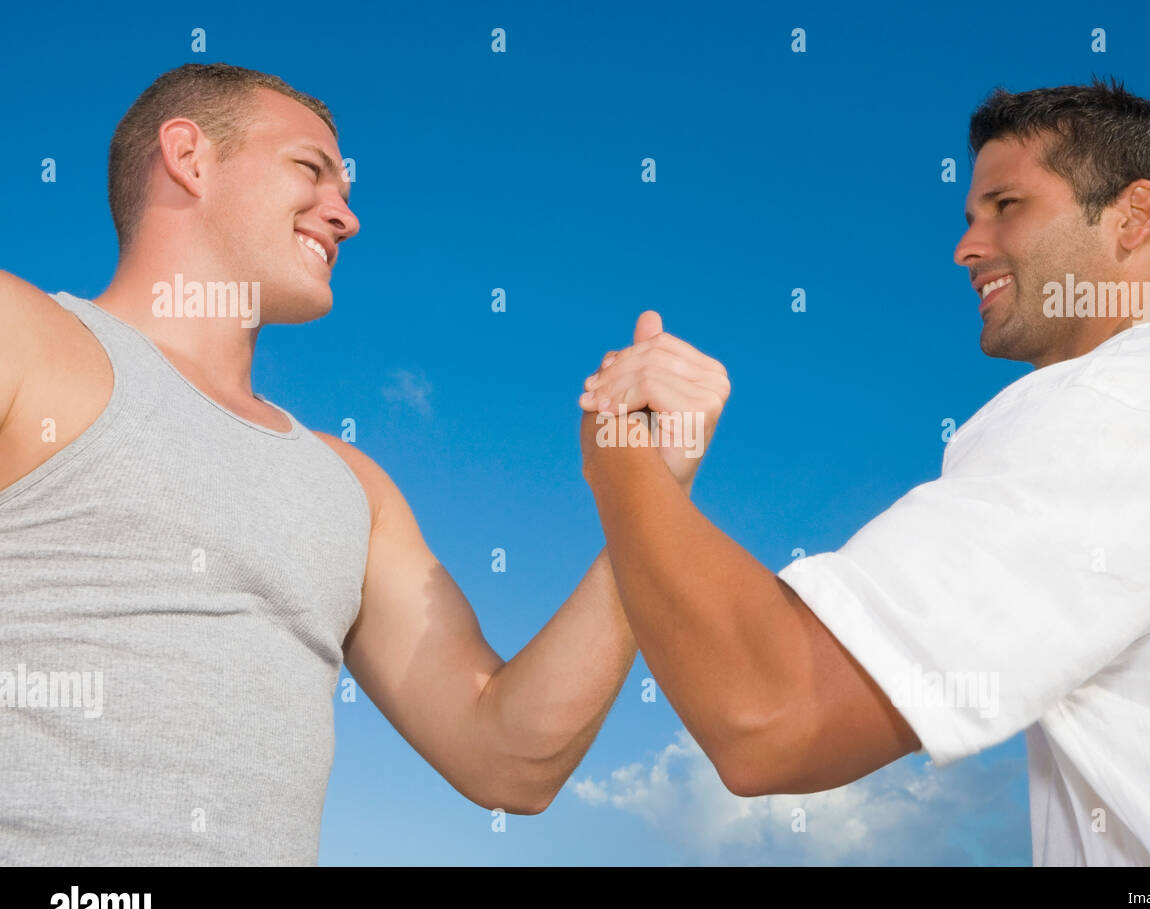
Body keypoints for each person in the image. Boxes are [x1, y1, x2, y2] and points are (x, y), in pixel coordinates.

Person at [0, 62, 726, 865]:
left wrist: (652, 493)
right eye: (310, 170)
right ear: (189, 156)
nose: (345, 216)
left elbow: (508, 758)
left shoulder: (352, 486)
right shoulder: (25, 339)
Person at [578, 78, 1150, 865]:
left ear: (1133, 217)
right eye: (969, 217)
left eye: (1006, 205)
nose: (967, 246)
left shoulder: (1134, 402)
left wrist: (619, 453)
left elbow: (770, 715)